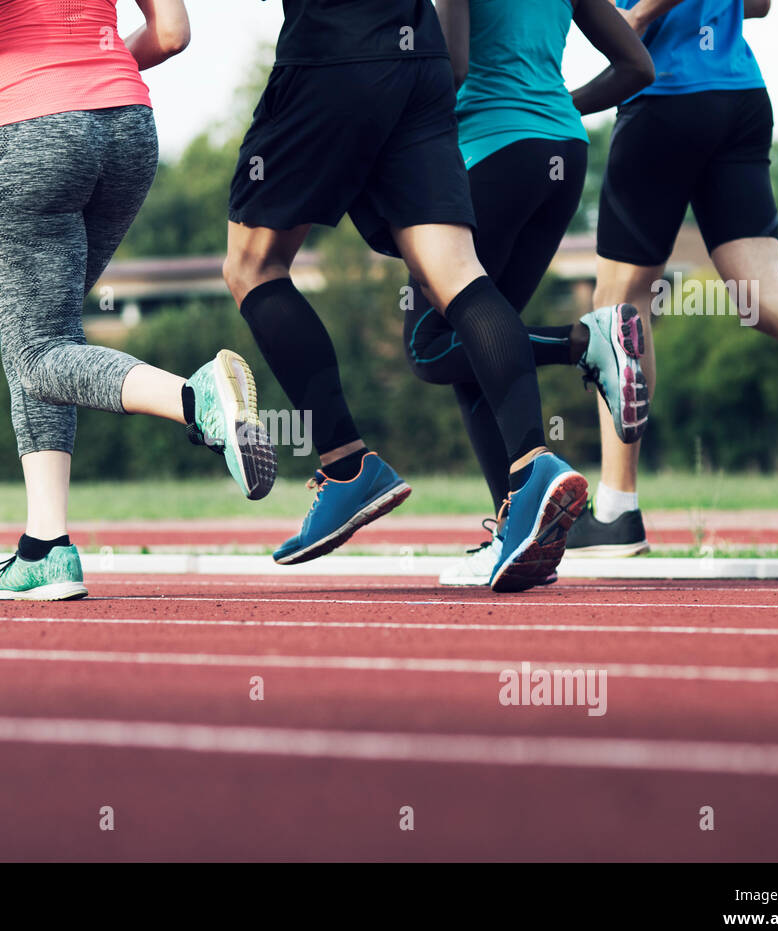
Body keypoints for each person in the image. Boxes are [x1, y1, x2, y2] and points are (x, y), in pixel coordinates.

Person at [226, 0, 591, 591]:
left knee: (253, 266)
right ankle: (533, 467)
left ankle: (346, 467)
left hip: (332, 49)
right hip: (420, 60)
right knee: (457, 273)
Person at [0, 0, 278, 601]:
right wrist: (103, 63)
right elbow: (172, 33)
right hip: (126, 128)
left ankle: (198, 400)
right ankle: (46, 547)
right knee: (41, 334)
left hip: (29, 125)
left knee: (38, 349)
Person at [569, 0, 778, 555]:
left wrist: (641, 17)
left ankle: (617, 511)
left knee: (618, 307)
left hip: (665, 97)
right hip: (739, 96)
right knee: (764, 291)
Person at [400, 0, 656, 586]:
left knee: (428, 342)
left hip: (489, 153)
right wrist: (562, 105)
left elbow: (453, 66)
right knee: (481, 354)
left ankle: (584, 345)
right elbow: (638, 68)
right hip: (560, 154)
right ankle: (518, 531)